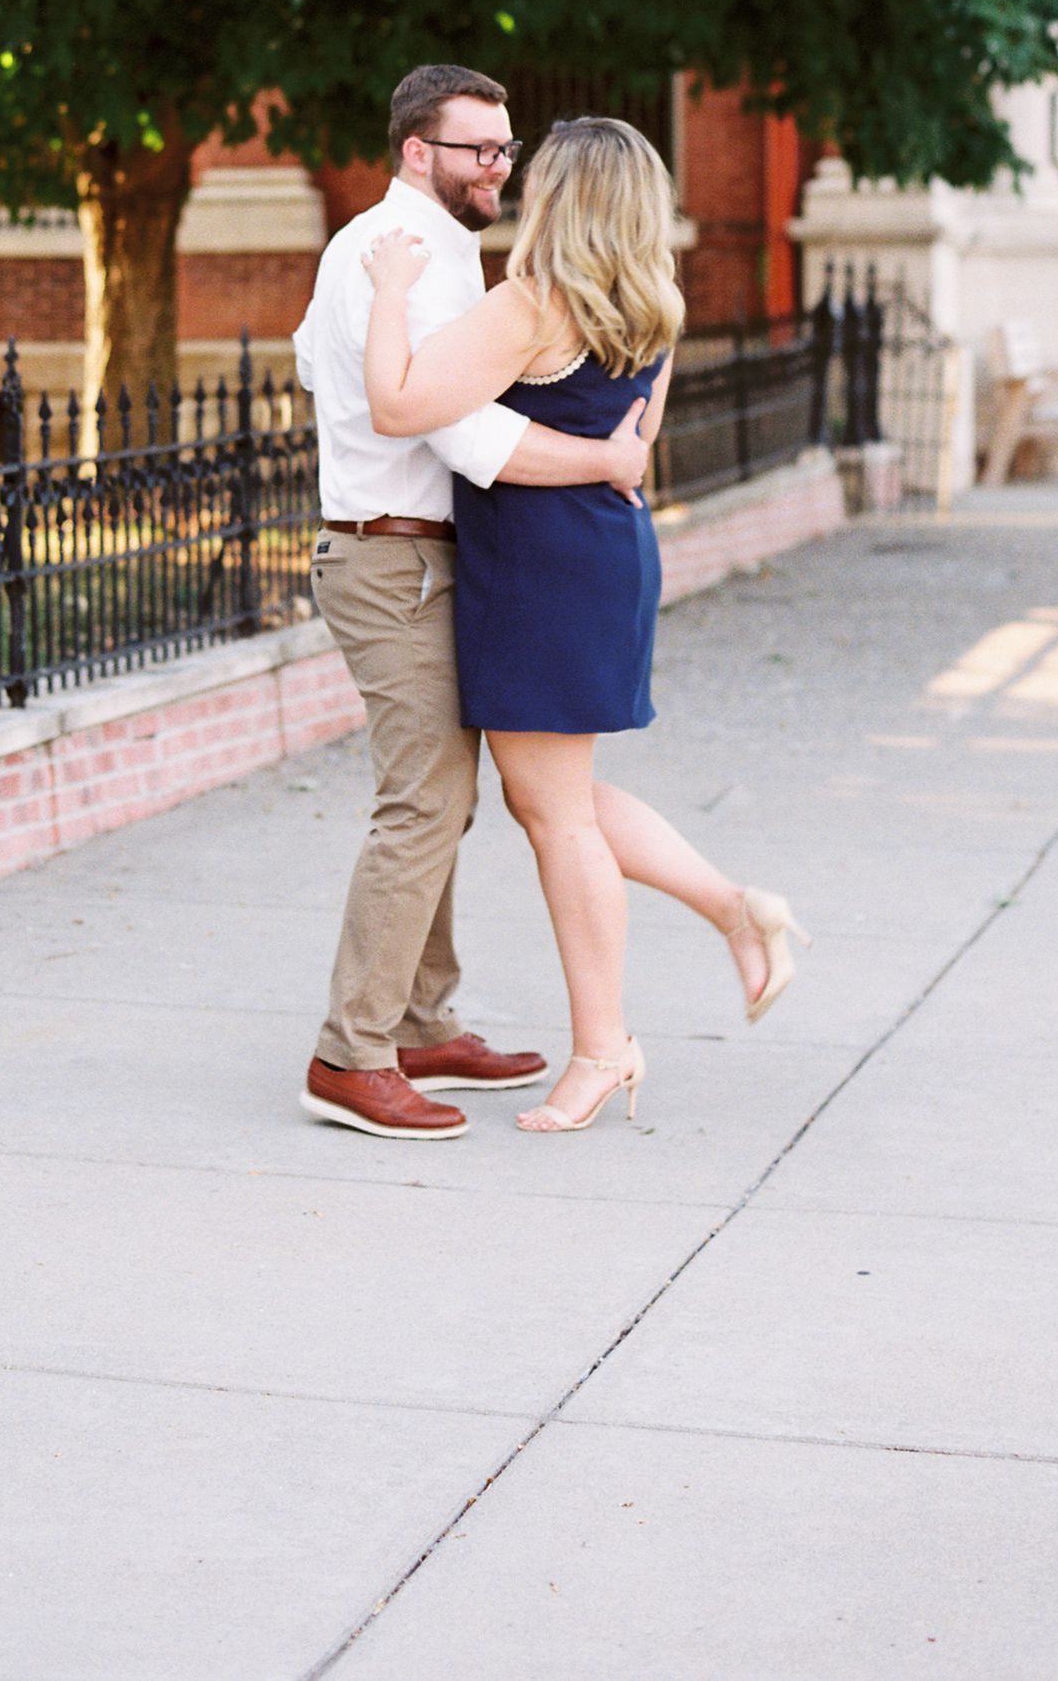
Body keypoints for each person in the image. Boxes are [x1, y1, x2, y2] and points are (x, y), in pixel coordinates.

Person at [362, 116, 810, 1136]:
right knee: (554, 796)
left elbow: (397, 404)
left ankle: (605, 1048)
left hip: (539, 568)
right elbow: (633, 446)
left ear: (560, 195)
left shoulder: (532, 303)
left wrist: (389, 290)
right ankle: (735, 908)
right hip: (601, 554)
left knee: (556, 814)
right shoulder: (654, 303)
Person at [291, 65, 656, 1142]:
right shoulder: (390, 251)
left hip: (435, 554)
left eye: (506, 149)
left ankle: (420, 1021)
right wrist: (604, 460)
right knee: (423, 802)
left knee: (443, 801)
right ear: (418, 151)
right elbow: (456, 428)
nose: (499, 165)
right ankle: (350, 1054)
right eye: (478, 149)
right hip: (390, 554)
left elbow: (316, 364)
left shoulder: (444, 252)